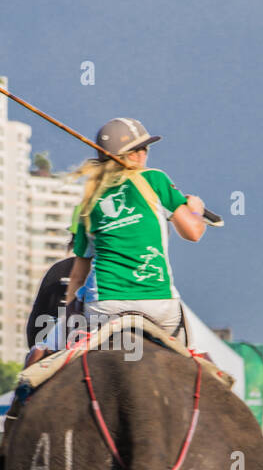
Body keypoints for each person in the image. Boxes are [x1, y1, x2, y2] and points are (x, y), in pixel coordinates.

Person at [66, 117, 206, 341]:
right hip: (158, 304)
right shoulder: (155, 179)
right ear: (134, 154)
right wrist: (196, 210)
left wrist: (67, 322)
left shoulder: (89, 201)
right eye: (144, 148)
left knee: (51, 348)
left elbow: (77, 276)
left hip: (104, 306)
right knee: (192, 358)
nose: (146, 154)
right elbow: (193, 233)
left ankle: (40, 360)